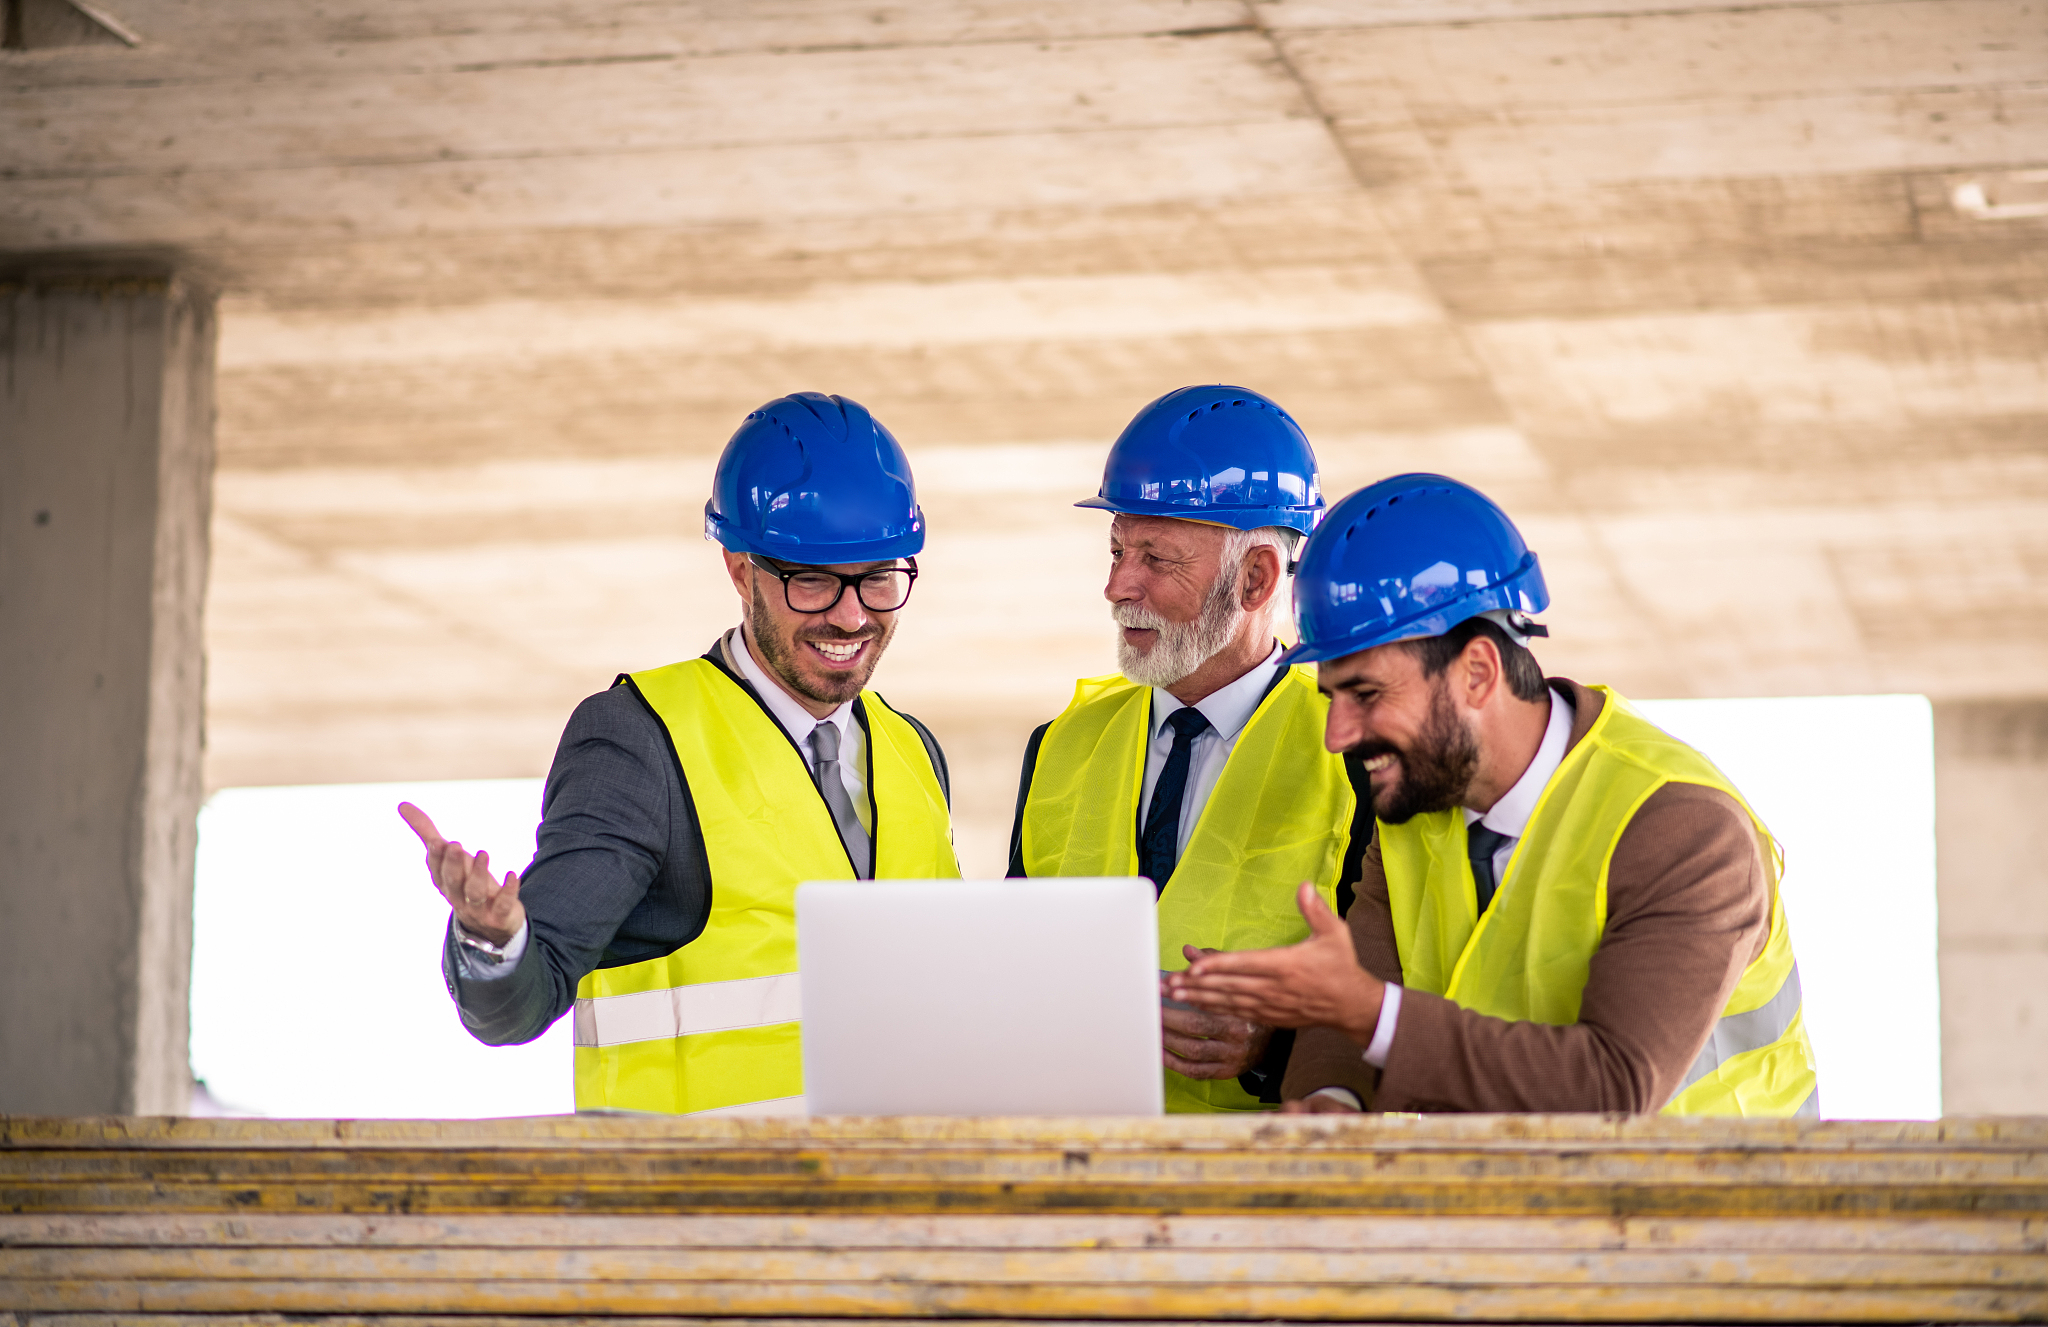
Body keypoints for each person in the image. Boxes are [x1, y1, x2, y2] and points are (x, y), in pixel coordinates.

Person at [1165, 473, 1818, 1116]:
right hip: (1529, 1209)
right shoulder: (1416, 813)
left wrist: (1368, 1011)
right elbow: (1350, 1016)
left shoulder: (1683, 831)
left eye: (1366, 696)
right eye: (1332, 697)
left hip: (1717, 1208)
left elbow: (1613, 1089)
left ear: (1478, 671)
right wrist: (1331, 1106)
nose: (1337, 737)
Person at [400, 392, 961, 1117]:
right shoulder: (640, 738)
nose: (851, 615)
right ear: (739, 568)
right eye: (812, 579)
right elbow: (519, 1001)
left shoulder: (914, 750)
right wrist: (491, 938)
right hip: (698, 1213)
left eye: (879, 577)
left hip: (899, 1206)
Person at [1008, 385, 1372, 1113]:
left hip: (1263, 1193)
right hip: (1082, 1177)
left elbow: (1410, 994)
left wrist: (1275, 1044)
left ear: (1258, 577)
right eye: (1116, 549)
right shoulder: (1061, 744)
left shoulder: (1357, 751)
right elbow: (1012, 971)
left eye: (1156, 558)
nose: (1117, 586)